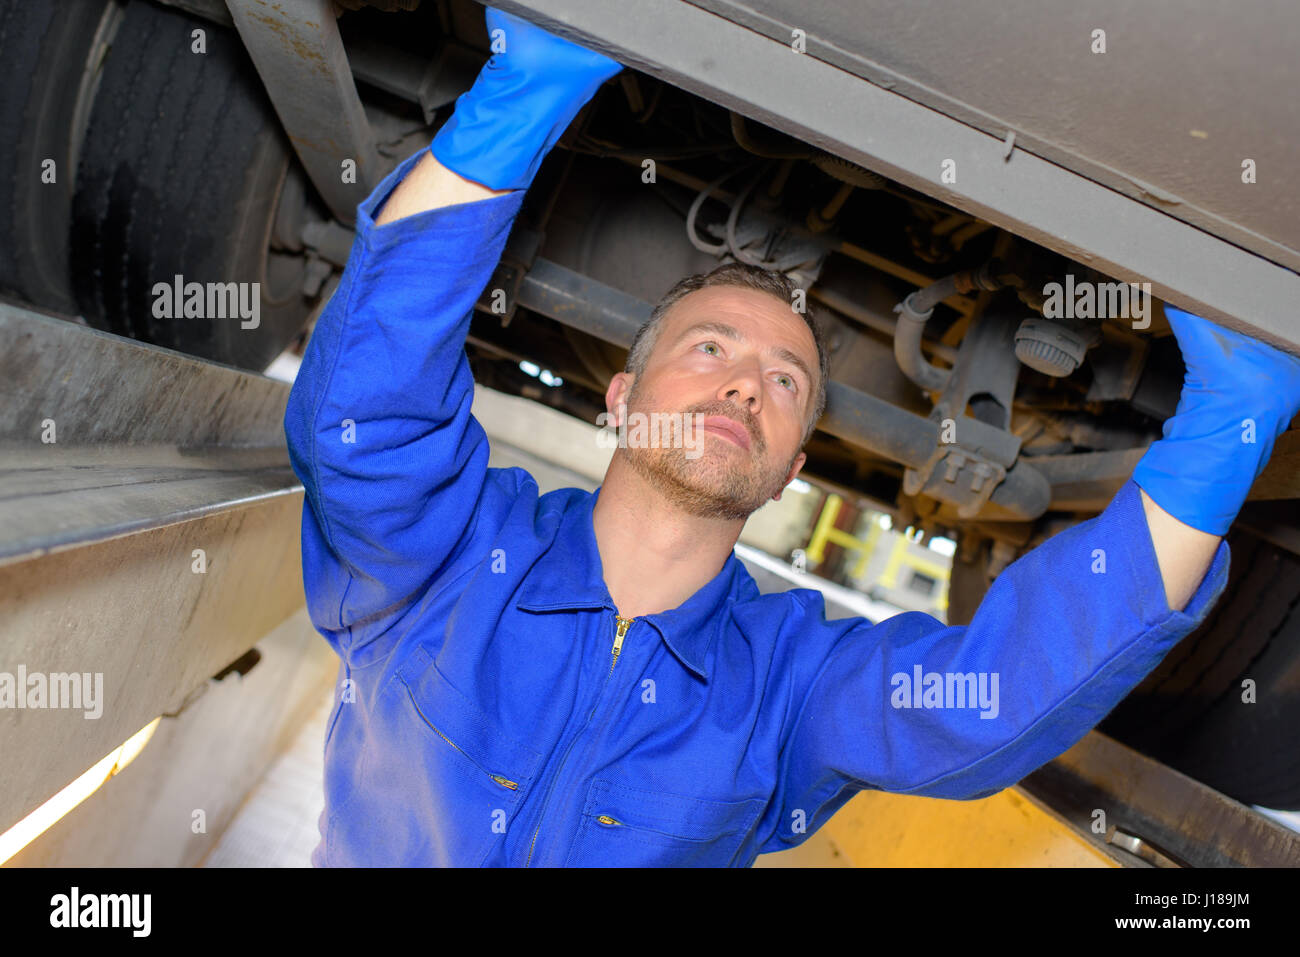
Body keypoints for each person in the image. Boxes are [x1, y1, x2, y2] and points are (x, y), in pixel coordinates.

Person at [284, 8, 1300, 867]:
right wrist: (532, 82)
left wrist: (1227, 422)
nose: (744, 384)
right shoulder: (450, 568)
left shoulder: (789, 685)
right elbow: (363, 424)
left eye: (784, 380)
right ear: (622, 396)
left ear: (790, 470)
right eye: (710, 347)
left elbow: (981, 706)